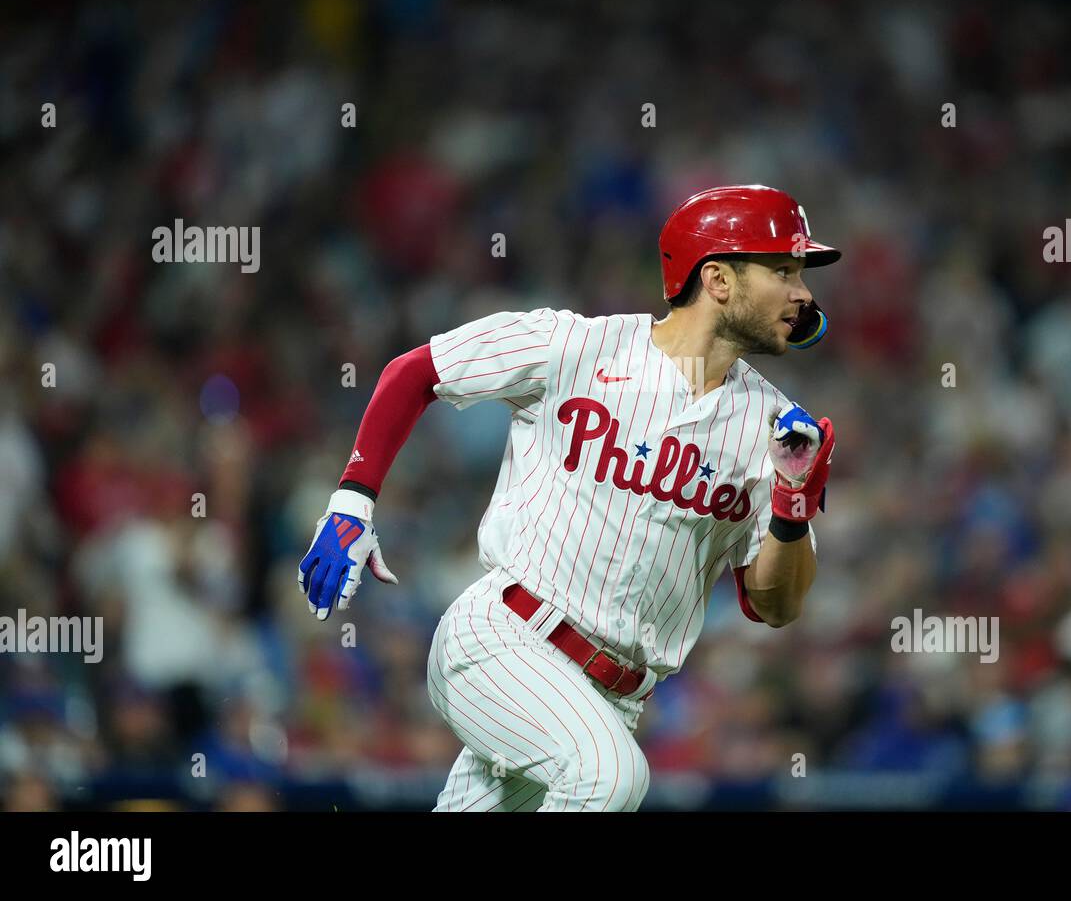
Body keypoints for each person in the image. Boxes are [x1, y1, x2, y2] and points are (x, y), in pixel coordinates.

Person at [297, 184, 839, 811]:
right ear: (717, 279)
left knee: (595, 771)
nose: (803, 293)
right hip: (504, 639)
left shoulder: (775, 427)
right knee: (611, 779)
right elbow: (415, 373)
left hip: (611, 699)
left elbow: (776, 604)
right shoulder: (576, 345)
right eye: (783, 270)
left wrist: (792, 509)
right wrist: (352, 502)